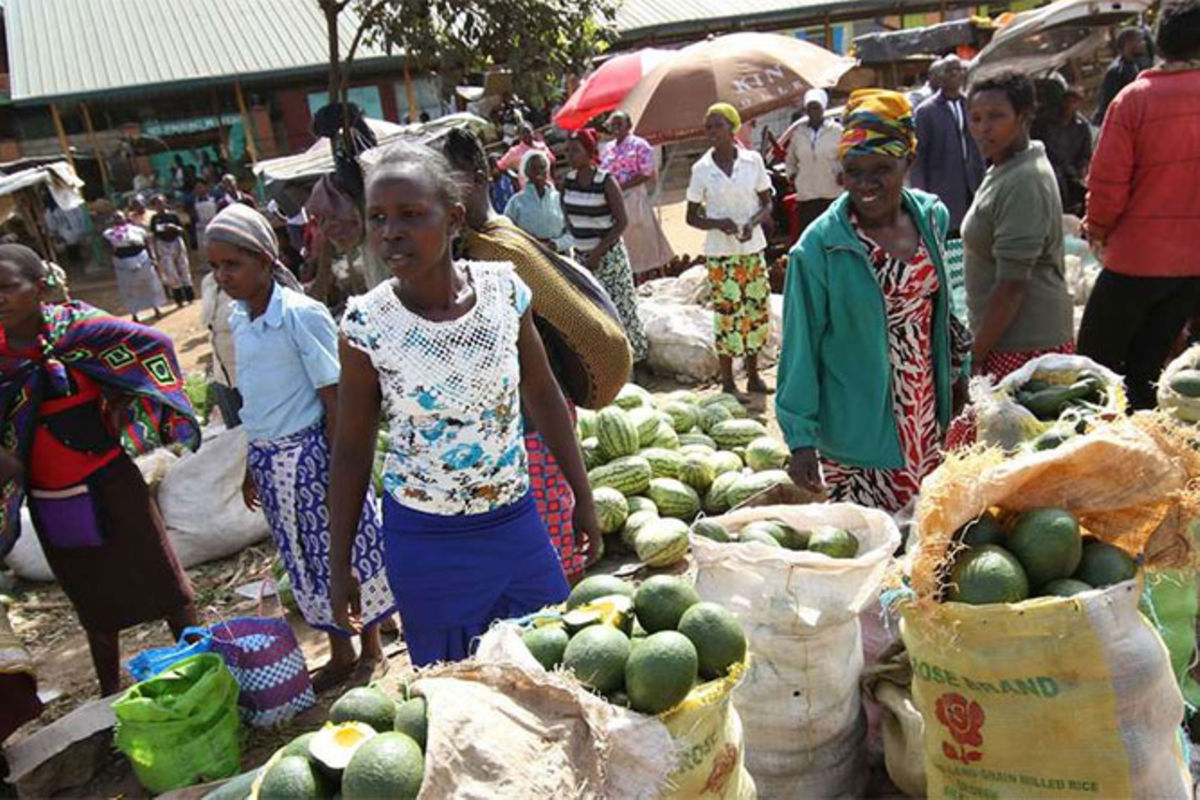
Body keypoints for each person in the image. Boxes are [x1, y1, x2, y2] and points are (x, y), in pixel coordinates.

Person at [327, 141, 597, 666]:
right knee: (456, 687)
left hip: (515, 523)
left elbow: (542, 394)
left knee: (549, 666)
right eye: (378, 218)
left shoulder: (504, 293)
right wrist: (340, 562)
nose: (390, 232)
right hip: (427, 542)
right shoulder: (365, 325)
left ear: (452, 218)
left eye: (410, 215)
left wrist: (580, 494)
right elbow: (353, 451)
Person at [206, 204, 394, 687]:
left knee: (346, 547)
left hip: (314, 456)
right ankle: (340, 650)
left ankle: (372, 646)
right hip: (273, 462)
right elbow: (257, 401)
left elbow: (334, 399)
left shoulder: (300, 316)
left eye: (233, 264)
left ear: (266, 261)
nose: (223, 276)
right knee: (304, 559)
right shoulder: (241, 318)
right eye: (215, 267)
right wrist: (253, 461)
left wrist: (340, 469)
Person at [0, 244, 200, 695]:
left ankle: (203, 669)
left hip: (113, 484)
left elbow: (153, 346)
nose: (0, 298)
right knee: (94, 605)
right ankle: (110, 695)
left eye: (9, 288)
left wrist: (125, 405)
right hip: (52, 500)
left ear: (40, 287)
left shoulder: (79, 331)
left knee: (167, 586)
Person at [443, 127, 631, 585]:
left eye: (452, 180)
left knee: (551, 537)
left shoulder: (487, 250)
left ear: (482, 174)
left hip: (532, 412)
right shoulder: (491, 235)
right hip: (530, 410)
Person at [777, 90, 970, 514]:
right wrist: (800, 438)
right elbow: (799, 348)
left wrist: (957, 377)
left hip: (923, 408)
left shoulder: (932, 216)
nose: (866, 184)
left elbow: (947, 309)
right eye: (853, 171)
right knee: (874, 547)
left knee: (927, 534)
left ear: (908, 161)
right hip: (858, 428)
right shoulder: (820, 248)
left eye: (881, 169)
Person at [1078, 1, 1200, 410]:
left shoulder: (1135, 100)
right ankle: (1144, 457)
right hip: (1192, 269)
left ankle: (1101, 460)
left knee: (1094, 375)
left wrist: (1095, 227)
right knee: (1148, 372)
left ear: (1161, 44)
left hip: (1135, 263)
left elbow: (1108, 187)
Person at [962, 71, 1075, 380]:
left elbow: (1012, 285)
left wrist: (975, 356)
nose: (983, 128)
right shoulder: (1005, 167)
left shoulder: (1025, 179)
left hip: (1023, 346)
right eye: (975, 118)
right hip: (1007, 339)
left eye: (996, 116)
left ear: (1023, 116)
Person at [685, 103, 774, 397]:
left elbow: (767, 202)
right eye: (708, 127)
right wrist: (716, 222)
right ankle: (727, 382)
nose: (711, 132)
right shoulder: (701, 169)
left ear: (733, 128)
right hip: (721, 254)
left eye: (717, 126)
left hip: (751, 249)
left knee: (754, 313)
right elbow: (691, 216)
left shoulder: (753, 162)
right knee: (727, 316)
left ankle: (753, 376)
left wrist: (753, 222)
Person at [561, 130, 648, 363]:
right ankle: (607, 364)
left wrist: (597, 252)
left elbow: (621, 222)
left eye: (575, 150)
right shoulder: (567, 182)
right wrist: (579, 245)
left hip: (608, 257)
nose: (570, 155)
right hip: (582, 258)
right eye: (568, 150)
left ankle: (633, 363)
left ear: (590, 153)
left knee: (621, 310)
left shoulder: (606, 181)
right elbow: (567, 215)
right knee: (593, 313)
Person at [912, 55, 986, 234]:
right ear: (939, 76)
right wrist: (921, 196)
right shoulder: (926, 112)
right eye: (948, 70)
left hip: (974, 185)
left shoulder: (973, 105)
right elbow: (918, 157)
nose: (954, 74)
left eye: (958, 70)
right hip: (943, 189)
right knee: (950, 240)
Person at [600, 110, 675, 276]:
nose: (616, 127)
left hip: (634, 195)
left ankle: (647, 274)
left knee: (640, 235)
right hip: (613, 198)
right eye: (613, 124)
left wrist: (622, 186)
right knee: (622, 238)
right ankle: (629, 273)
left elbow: (646, 172)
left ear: (629, 126)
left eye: (619, 123)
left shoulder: (640, 145)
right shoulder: (608, 148)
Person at [785, 88, 844, 239]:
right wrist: (792, 176)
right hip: (807, 197)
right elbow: (790, 160)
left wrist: (843, 173)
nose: (813, 111)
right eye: (809, 108)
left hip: (832, 194)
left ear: (823, 108)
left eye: (816, 107)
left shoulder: (837, 131)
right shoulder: (799, 133)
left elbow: (848, 157)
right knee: (812, 239)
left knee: (833, 236)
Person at [1033, 86, 1092, 216]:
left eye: (1074, 102)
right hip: (1050, 167)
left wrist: (1082, 169)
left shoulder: (1081, 127)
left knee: (1086, 192)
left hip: (1071, 170)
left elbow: (1085, 153)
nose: (1070, 105)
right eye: (1068, 101)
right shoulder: (1046, 122)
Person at [102, 212, 167, 322]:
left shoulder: (137, 230)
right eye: (115, 218)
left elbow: (147, 244)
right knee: (128, 288)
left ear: (125, 218)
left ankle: (156, 308)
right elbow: (107, 248)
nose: (118, 219)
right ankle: (134, 314)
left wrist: (153, 258)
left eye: (120, 217)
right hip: (122, 263)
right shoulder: (109, 233)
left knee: (149, 284)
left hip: (142, 259)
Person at [503, 151, 571, 251]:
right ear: (526, 172)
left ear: (547, 171)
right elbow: (506, 231)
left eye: (542, 167)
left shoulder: (559, 199)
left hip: (558, 255)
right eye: (533, 168)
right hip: (529, 256)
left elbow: (572, 233)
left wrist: (555, 245)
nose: (538, 171)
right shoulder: (516, 201)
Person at [1093, 26, 1152, 125]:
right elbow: (1109, 104)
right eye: (1140, 40)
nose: (1144, 44)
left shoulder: (1141, 64)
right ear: (1129, 44)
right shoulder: (1116, 71)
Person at [149, 195, 195, 307]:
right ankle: (178, 298)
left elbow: (181, 229)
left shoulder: (173, 215)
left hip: (176, 241)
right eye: (157, 204)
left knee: (183, 268)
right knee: (170, 271)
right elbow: (154, 233)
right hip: (164, 244)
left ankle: (189, 296)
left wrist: (174, 228)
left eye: (161, 202)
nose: (159, 205)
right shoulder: (155, 219)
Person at [497, 123, 555, 190]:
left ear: (532, 132)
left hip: (547, 185)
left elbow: (552, 161)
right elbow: (501, 166)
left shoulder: (542, 146)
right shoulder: (515, 151)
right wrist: (514, 178)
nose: (526, 134)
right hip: (528, 189)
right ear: (519, 136)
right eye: (523, 133)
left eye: (528, 131)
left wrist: (553, 177)